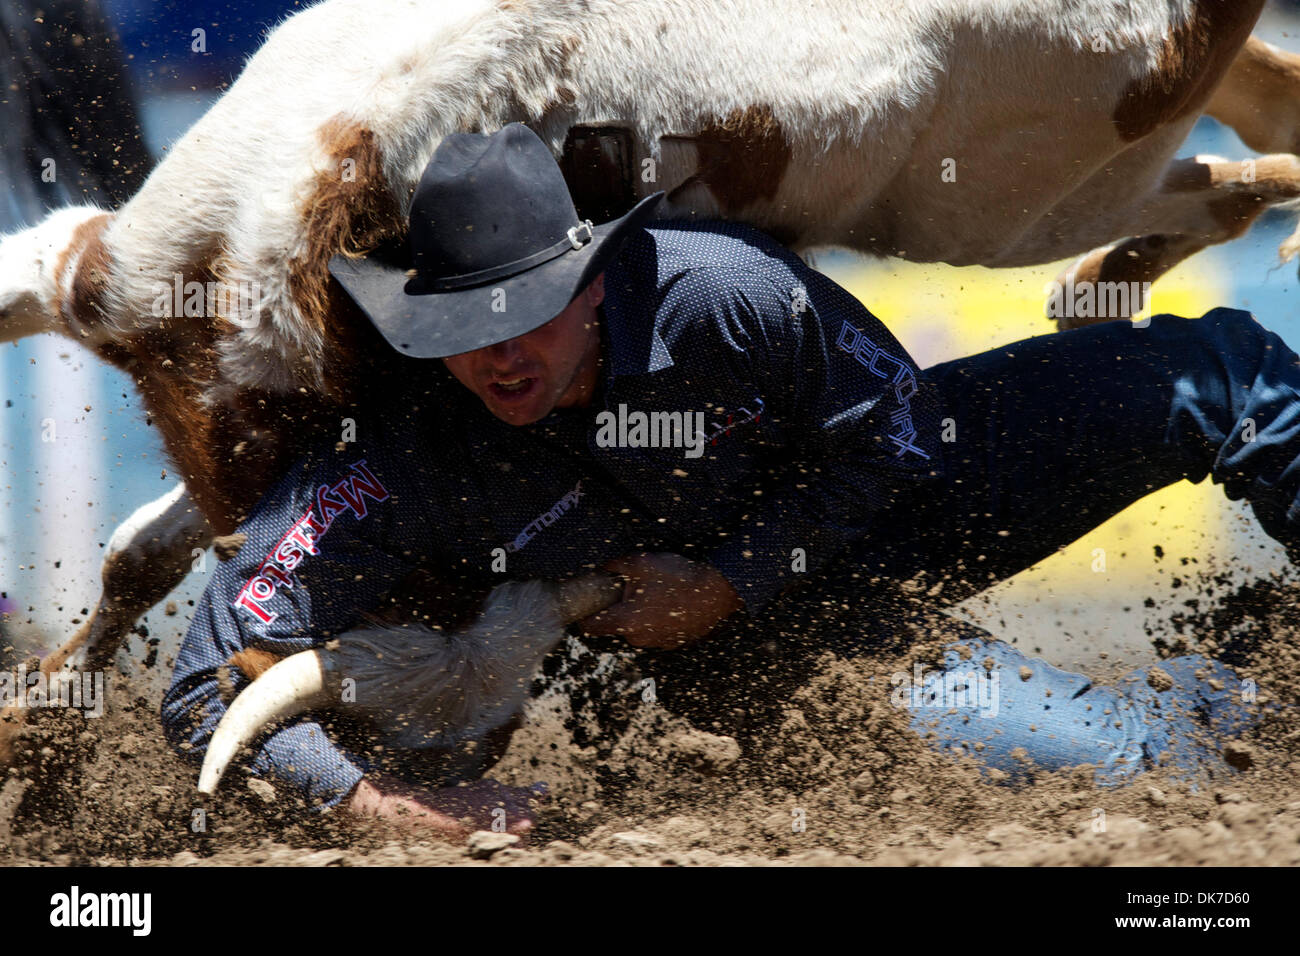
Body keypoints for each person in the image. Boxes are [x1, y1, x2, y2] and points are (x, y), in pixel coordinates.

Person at [163, 124, 1292, 841]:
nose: (498, 355)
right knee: (1154, 764)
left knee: (1231, 372)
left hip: (906, 491)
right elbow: (208, 683)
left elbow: (894, 429)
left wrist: (731, 573)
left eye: (527, 315)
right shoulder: (400, 457)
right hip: (775, 653)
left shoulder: (727, 296)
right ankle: (1243, 710)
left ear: (596, 284)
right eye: (461, 328)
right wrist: (381, 806)